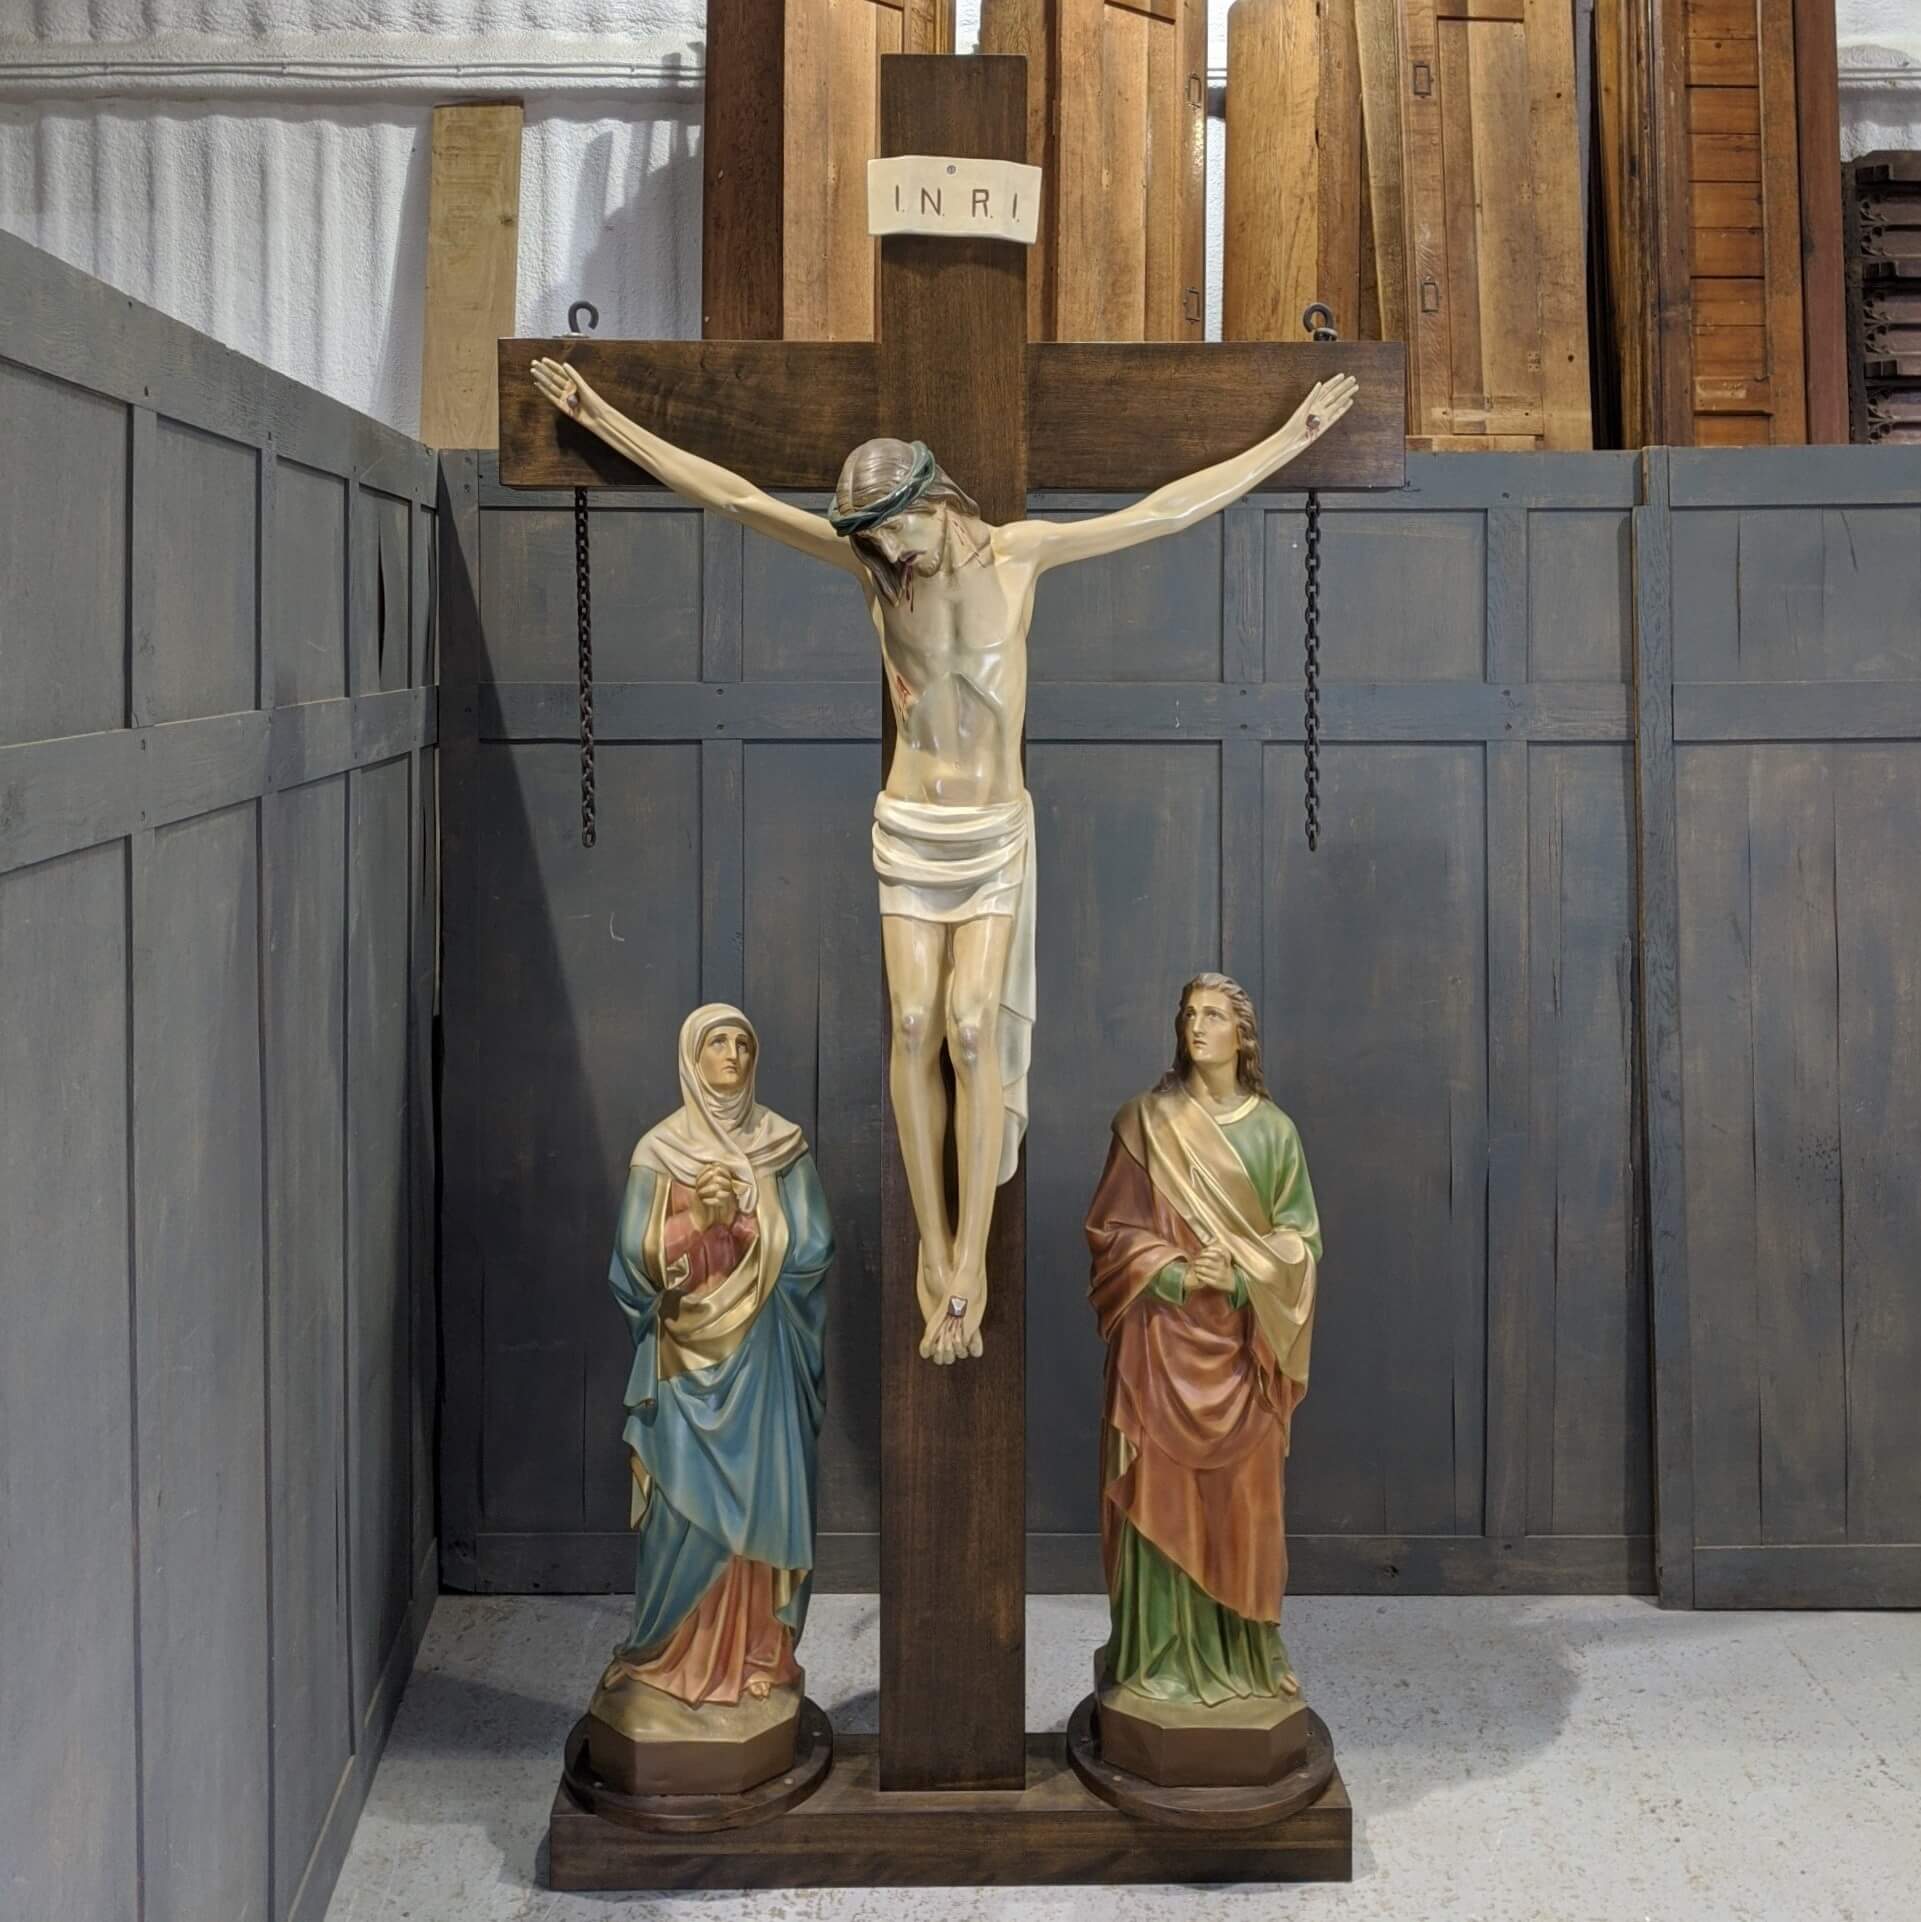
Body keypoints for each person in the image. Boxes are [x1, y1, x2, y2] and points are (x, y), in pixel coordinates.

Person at [533, 354, 1354, 1365]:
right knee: (916, 1022)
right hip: (911, 824)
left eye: (892, 529)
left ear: (934, 501)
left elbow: (1164, 511)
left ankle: (970, 1256)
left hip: (993, 830)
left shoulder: (1022, 555)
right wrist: (605, 419)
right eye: (870, 539)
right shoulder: (874, 575)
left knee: (970, 1025)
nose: (884, 550)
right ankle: (935, 1242)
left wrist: (1287, 442)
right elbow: (738, 499)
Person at [1084, 972, 1321, 1706]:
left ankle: (1250, 1653)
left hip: (1242, 1356)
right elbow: (1111, 1233)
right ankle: (1153, 1658)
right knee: (1161, 1496)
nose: (1197, 1026)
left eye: (1214, 1015)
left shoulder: (1274, 1133)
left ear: (1242, 1036)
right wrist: (1176, 1274)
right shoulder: (1145, 1123)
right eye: (1189, 1013)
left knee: (1245, 1507)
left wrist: (1242, 1273)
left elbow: (1301, 1242)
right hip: (1159, 1347)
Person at [593, 1004, 833, 1725]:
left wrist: (748, 1225)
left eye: (742, 1043)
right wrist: (697, 1222)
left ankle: (759, 1658)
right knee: (682, 1514)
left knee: (762, 1501)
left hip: (761, 1356)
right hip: (684, 1364)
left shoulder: (782, 1145)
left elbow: (814, 1246)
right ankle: (666, 1658)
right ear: (691, 1057)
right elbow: (630, 1261)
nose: (732, 1054)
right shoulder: (660, 1149)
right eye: (717, 1042)